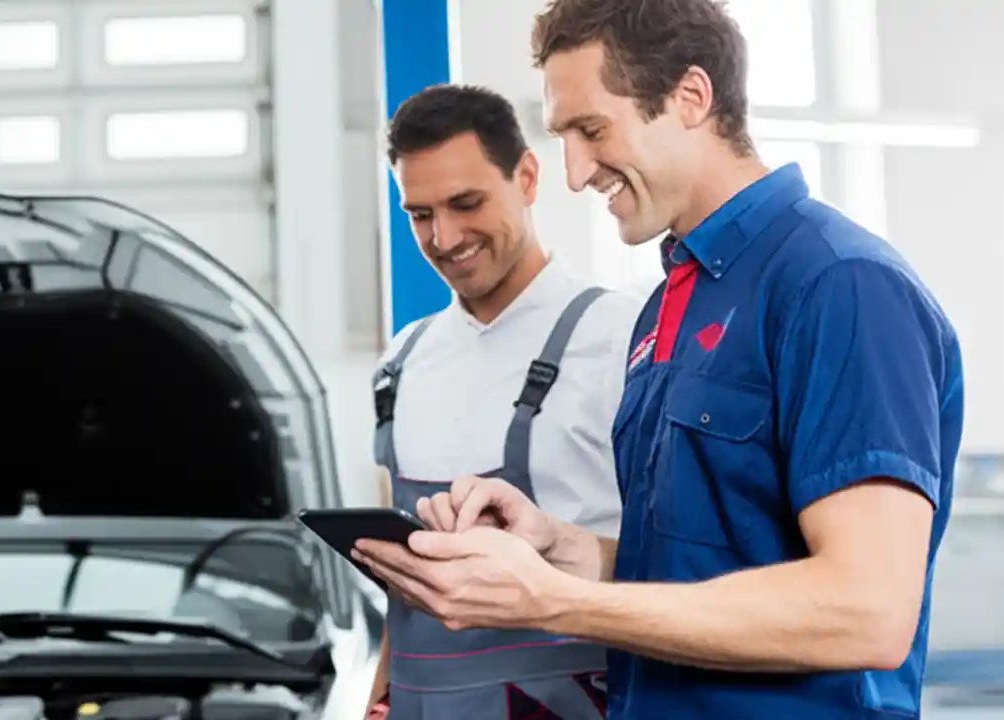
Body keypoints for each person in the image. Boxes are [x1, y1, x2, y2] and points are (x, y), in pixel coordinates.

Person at [352, 1, 965, 719]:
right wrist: (561, 550)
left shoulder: (841, 286)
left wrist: (558, 603)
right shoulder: (672, 305)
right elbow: (700, 575)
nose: (576, 173)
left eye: (591, 130)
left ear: (690, 97)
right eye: (564, 137)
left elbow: (867, 610)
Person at [363, 83, 642, 719]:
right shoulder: (400, 364)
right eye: (420, 214)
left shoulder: (622, 340)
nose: (445, 237)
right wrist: (378, 699)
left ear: (527, 176)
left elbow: (679, 568)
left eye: (467, 203)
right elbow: (404, 597)